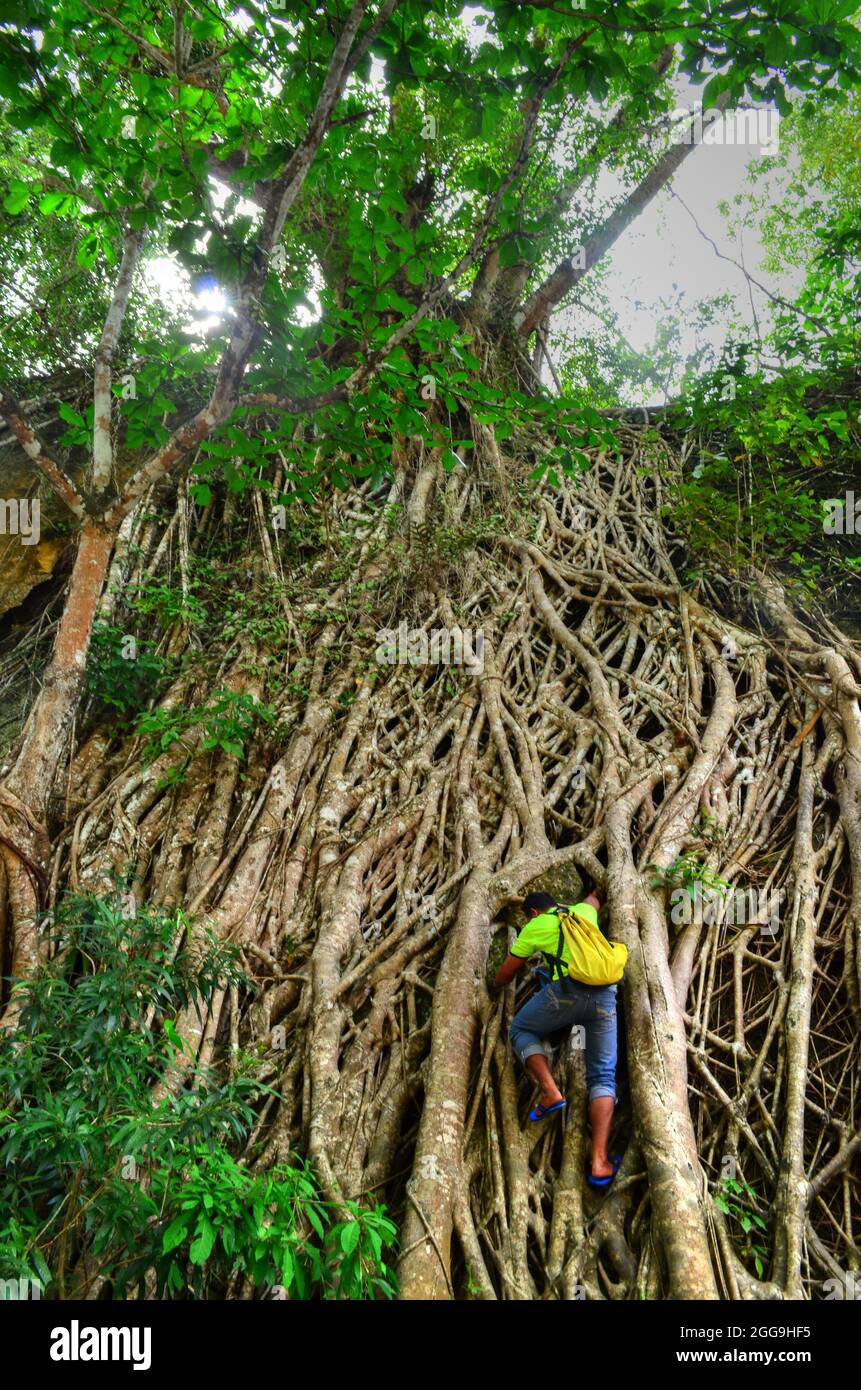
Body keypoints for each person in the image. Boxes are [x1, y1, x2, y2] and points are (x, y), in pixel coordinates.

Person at [491, 886, 620, 1186]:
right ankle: (600, 1162)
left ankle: (550, 1091)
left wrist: (493, 986)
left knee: (521, 1029)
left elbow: (508, 972)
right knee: (603, 1077)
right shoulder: (583, 912)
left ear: (534, 912)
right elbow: (592, 899)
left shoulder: (536, 925)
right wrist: (598, 891)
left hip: (568, 995)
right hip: (605, 997)